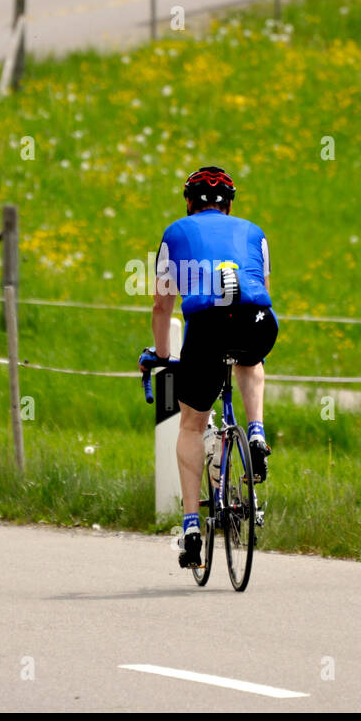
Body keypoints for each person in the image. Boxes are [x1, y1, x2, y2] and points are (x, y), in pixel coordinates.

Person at [139, 166, 277, 569]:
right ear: (230, 205)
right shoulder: (255, 232)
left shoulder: (174, 233)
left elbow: (161, 306)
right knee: (251, 361)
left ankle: (192, 525)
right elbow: (263, 292)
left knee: (191, 425)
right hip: (257, 321)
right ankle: (256, 431)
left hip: (206, 326)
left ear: (188, 202)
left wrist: (163, 356)